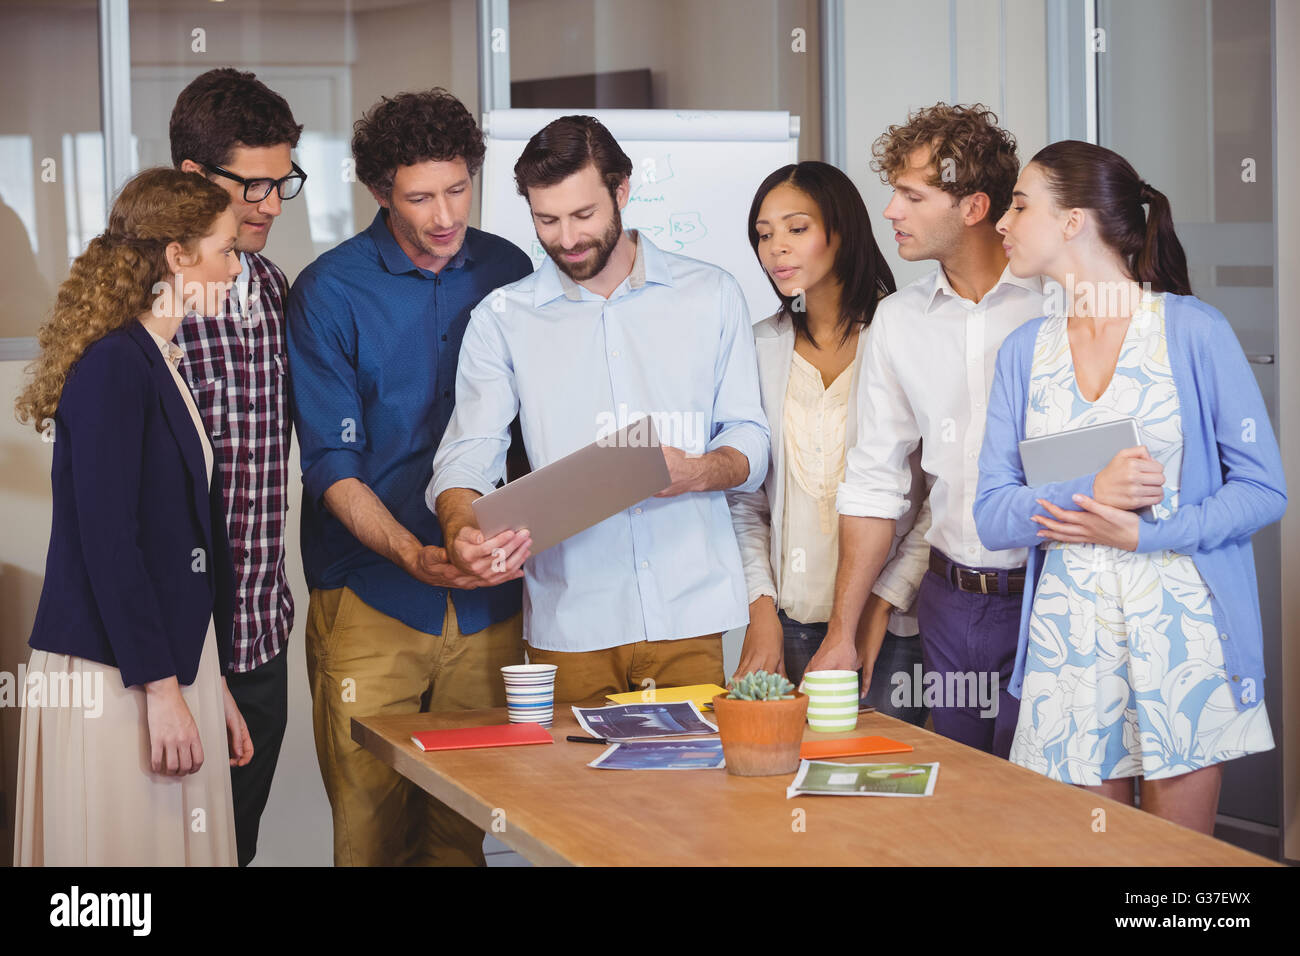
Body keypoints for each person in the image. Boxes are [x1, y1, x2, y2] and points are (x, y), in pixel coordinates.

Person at [974, 140, 1285, 833]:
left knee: (1176, 867)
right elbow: (993, 514)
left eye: (1020, 206)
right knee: (1087, 854)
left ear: (1073, 221)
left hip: (1185, 637)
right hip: (1068, 642)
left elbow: (1264, 488)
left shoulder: (1193, 331)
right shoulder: (1024, 353)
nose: (1002, 222)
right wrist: (1095, 487)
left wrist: (1151, 533)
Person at [429, 115, 769, 704]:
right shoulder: (501, 319)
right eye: (547, 220)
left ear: (622, 191)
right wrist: (461, 530)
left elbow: (750, 434)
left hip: (690, 613)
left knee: (693, 768)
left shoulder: (712, 294)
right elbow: (467, 454)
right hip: (572, 618)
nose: (566, 238)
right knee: (571, 769)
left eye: (583, 215)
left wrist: (699, 470)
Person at [287, 89, 532, 867]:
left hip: (491, 600)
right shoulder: (329, 291)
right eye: (421, 197)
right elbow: (331, 463)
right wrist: (410, 554)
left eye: (458, 189)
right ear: (379, 192)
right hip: (371, 592)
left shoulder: (511, 269)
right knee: (371, 836)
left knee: (464, 831)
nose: (445, 215)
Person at [12, 168, 253, 865]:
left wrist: (212, 682)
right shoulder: (115, 364)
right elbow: (110, 541)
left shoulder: (159, 358)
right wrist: (162, 690)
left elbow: (182, 535)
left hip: (166, 664)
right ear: (177, 256)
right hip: (117, 671)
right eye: (226, 250)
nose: (236, 268)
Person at [805, 103, 1046, 758]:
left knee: (1041, 797)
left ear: (973, 207)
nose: (891, 212)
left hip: (1049, 593)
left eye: (913, 196)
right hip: (949, 602)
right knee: (966, 791)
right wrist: (842, 631)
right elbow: (874, 484)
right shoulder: (899, 321)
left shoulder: (1057, 306)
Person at [726, 161, 931, 726]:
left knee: (882, 775)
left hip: (893, 626)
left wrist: (883, 601)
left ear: (841, 231)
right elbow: (746, 499)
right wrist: (761, 611)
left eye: (796, 228)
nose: (776, 248)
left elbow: (942, 491)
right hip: (787, 621)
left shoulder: (901, 335)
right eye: (764, 234)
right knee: (783, 772)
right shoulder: (756, 348)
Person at [170, 66, 305, 867]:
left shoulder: (273, 287)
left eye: (282, 182)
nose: (270, 204)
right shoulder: (146, 305)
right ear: (193, 176)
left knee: (235, 851)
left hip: (260, 633)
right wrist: (180, 668)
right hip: (178, 650)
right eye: (252, 185)